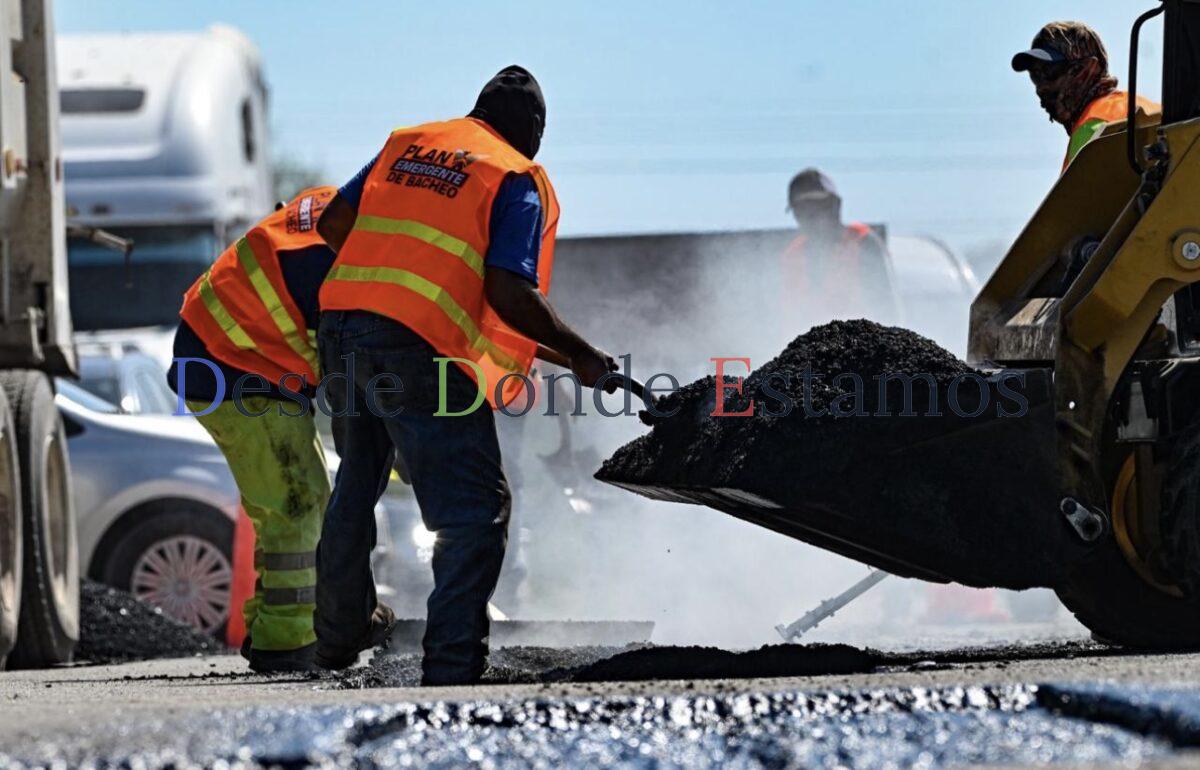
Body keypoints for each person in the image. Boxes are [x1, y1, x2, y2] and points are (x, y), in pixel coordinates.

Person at [313, 65, 616, 684]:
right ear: (534, 129)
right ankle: (451, 666)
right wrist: (582, 350)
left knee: (357, 483)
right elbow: (508, 292)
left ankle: (340, 636)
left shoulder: (409, 145)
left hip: (343, 331)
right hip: (417, 353)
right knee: (474, 512)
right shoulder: (515, 174)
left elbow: (332, 224)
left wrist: (574, 359)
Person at [168, 186, 338, 672]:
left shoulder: (329, 210)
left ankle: (273, 628)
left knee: (289, 502)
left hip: (231, 363)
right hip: (240, 371)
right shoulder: (352, 253)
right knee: (297, 504)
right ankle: (287, 642)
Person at [1012, 21, 1161, 173]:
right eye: (1036, 75)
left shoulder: (1091, 127)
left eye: (1050, 71)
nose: (1041, 87)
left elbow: (1076, 195)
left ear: (1085, 67)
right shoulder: (1149, 107)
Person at [781, 168, 896, 323]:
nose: (813, 217)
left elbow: (887, 311)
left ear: (836, 206)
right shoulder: (792, 256)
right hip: (812, 345)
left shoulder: (862, 244)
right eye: (805, 210)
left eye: (820, 207)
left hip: (862, 344)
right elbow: (788, 319)